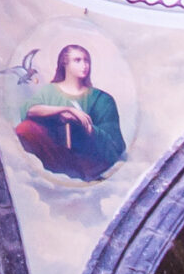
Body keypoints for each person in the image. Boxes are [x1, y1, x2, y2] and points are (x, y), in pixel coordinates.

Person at [14, 44, 125, 181]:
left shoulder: (102, 99)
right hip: (56, 156)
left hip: (87, 160)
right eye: (78, 60)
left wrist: (86, 127)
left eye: (87, 61)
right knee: (26, 128)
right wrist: (65, 110)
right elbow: (30, 110)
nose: (84, 65)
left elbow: (114, 144)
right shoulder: (49, 91)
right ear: (64, 64)